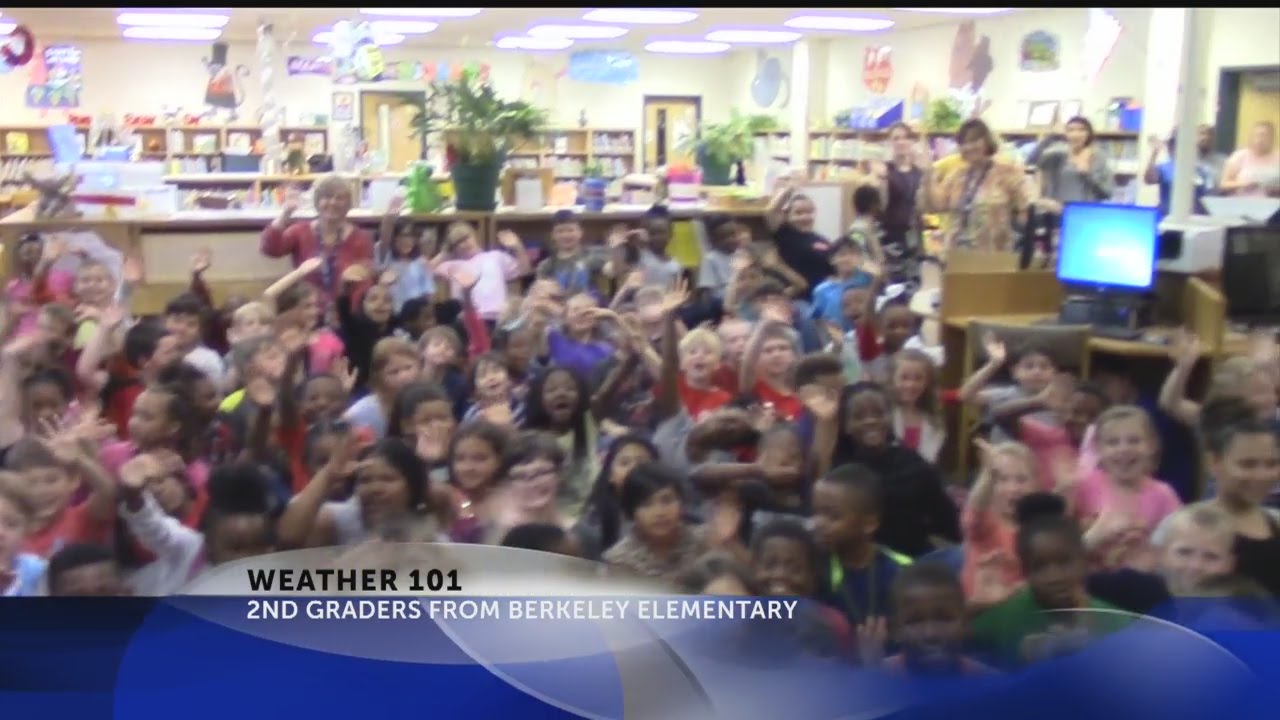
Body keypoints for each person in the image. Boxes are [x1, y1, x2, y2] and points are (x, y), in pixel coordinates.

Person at [970, 493, 1131, 669]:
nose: (1054, 577)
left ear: (1085, 561)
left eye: (1064, 562)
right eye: (1039, 567)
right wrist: (975, 606)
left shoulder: (1117, 621)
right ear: (1025, 572)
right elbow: (955, 637)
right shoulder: (1005, 617)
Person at [919, 119, 1030, 253]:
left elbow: (1027, 209)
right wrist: (928, 174)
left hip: (993, 256)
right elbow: (935, 206)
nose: (969, 147)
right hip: (957, 255)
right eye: (964, 143)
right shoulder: (957, 175)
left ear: (987, 141)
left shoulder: (1007, 172)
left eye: (974, 141)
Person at [1143, 125, 1229, 218]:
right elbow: (1149, 179)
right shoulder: (1166, 167)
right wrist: (1154, 153)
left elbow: (1210, 193)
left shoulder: (1200, 170)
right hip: (1167, 219)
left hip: (1195, 220)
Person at [1219, 120, 1279, 198]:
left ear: (1272, 138)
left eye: (1265, 136)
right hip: (1242, 202)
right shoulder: (1239, 156)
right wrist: (1243, 184)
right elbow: (1223, 185)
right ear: (1251, 137)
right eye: (1257, 135)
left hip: (1274, 202)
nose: (1260, 139)